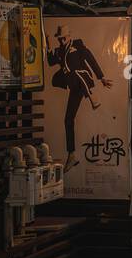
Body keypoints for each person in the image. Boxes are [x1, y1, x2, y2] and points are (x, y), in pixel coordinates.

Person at [46, 24, 112, 170]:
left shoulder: (78, 46)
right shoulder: (59, 51)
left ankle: (91, 95)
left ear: (69, 36)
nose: (62, 41)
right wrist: (48, 44)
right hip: (74, 86)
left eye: (64, 38)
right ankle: (72, 154)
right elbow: (50, 62)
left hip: (84, 79)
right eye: (60, 39)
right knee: (68, 119)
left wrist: (101, 78)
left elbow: (91, 60)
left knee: (77, 73)